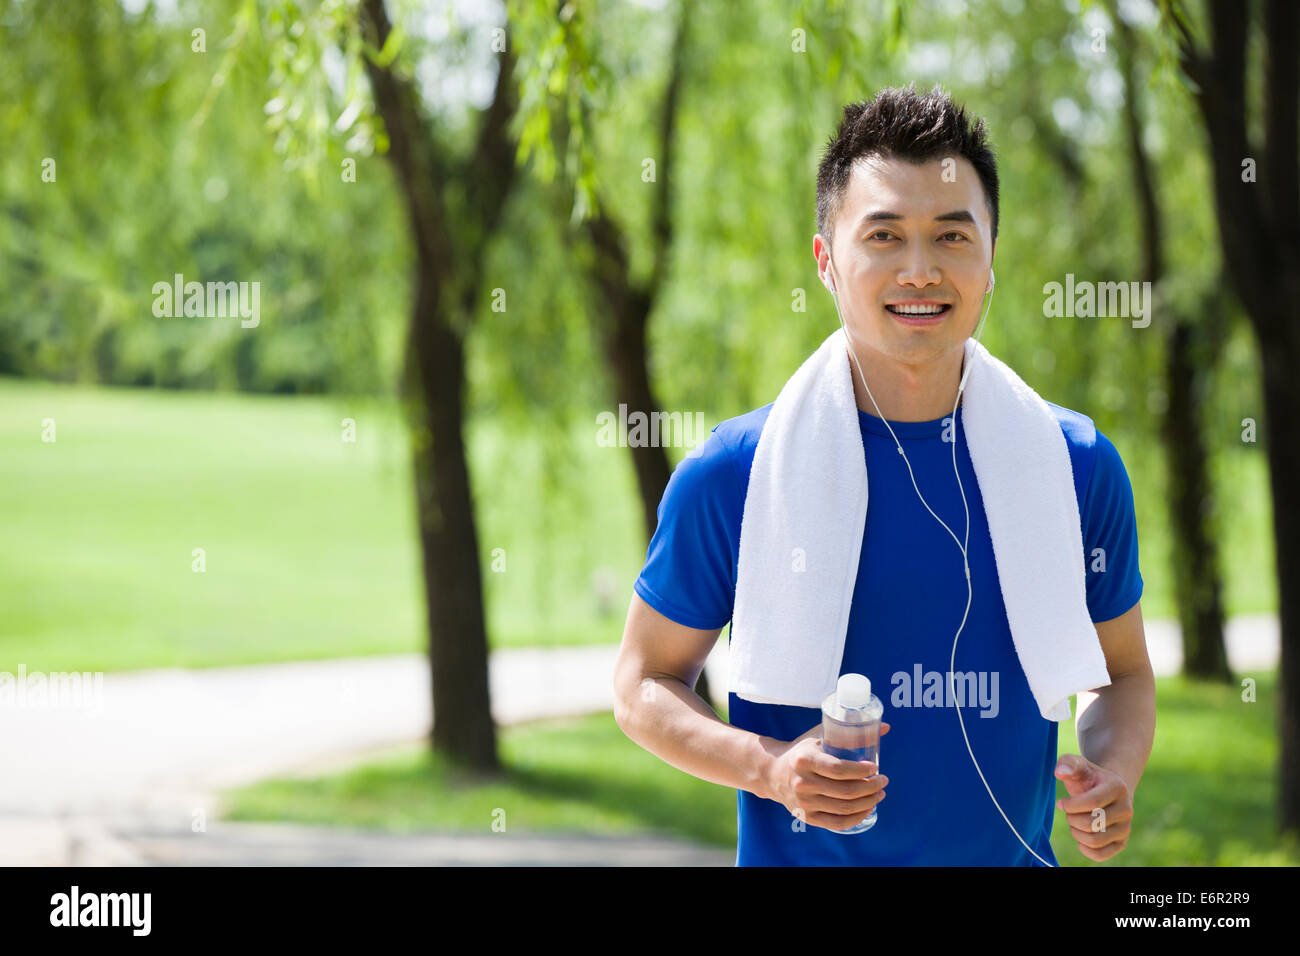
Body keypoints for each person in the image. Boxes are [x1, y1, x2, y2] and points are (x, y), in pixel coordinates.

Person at [612, 85, 1155, 866]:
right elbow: (642, 683)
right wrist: (765, 769)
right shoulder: (736, 473)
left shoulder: (1076, 466)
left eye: (952, 237)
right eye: (885, 235)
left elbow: (1125, 676)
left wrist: (1112, 772)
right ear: (827, 261)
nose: (920, 270)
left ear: (992, 256)